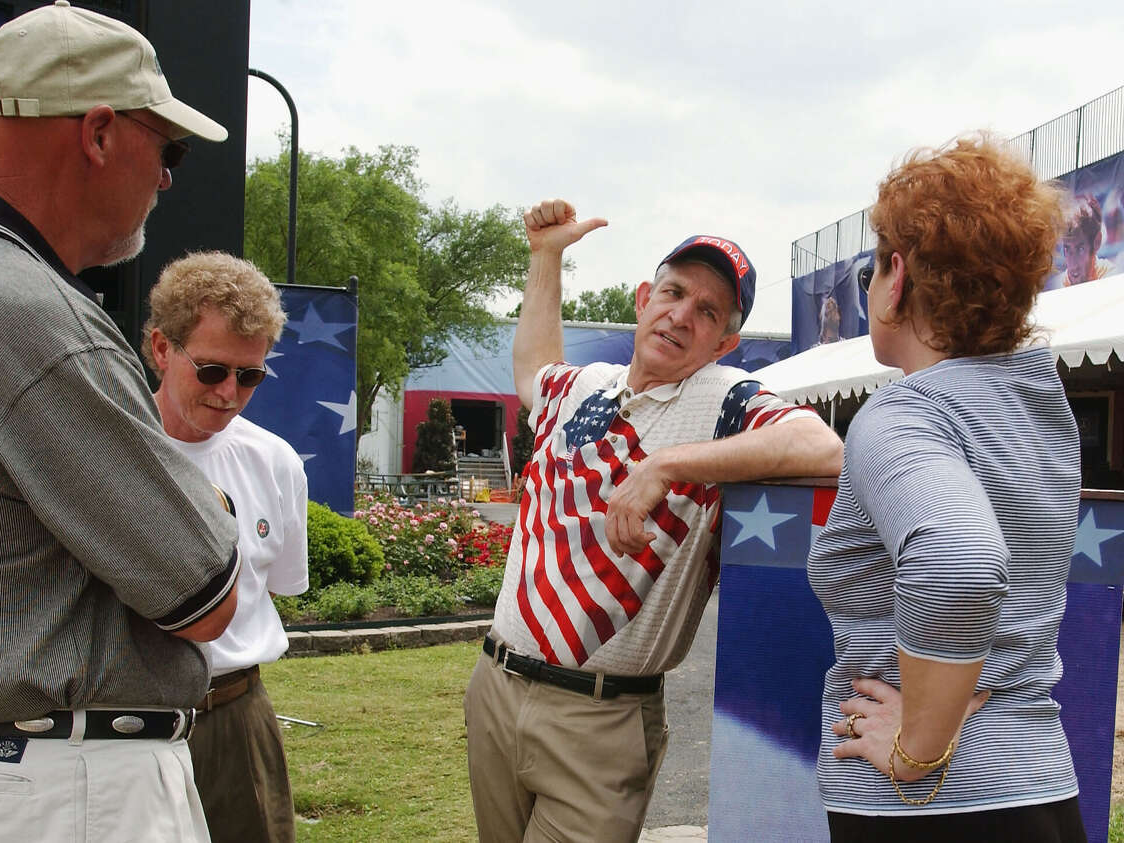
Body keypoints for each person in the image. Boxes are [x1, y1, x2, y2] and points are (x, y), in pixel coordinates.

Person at [0, 3, 240, 841]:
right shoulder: (28, 316)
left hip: (4, 772)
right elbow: (206, 591)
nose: (167, 178)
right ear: (99, 134)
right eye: (165, 149)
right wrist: (209, 511)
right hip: (71, 783)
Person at [464, 198, 844, 842]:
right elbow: (532, 370)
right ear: (643, 298)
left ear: (725, 342)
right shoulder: (585, 384)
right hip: (495, 686)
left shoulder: (723, 398)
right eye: (673, 293)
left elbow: (824, 448)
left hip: (601, 715)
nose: (681, 316)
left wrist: (666, 467)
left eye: (708, 312)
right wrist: (545, 257)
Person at [809, 135, 1086, 841]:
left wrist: (919, 746)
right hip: (1039, 788)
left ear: (897, 276)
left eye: (872, 267)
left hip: (927, 810)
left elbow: (960, 560)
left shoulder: (904, 413)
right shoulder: (1039, 408)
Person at [142, 252, 309, 843]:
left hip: (237, 717)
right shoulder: (109, 452)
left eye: (251, 375)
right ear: (162, 348)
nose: (231, 393)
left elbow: (279, 587)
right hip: (128, 723)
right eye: (213, 371)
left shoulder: (274, 461)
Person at [1060, 193, 1115, 285]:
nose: (1073, 265)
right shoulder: (1059, 284)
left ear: (1097, 242)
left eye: (1080, 249)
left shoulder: (1112, 279)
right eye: (1067, 249)